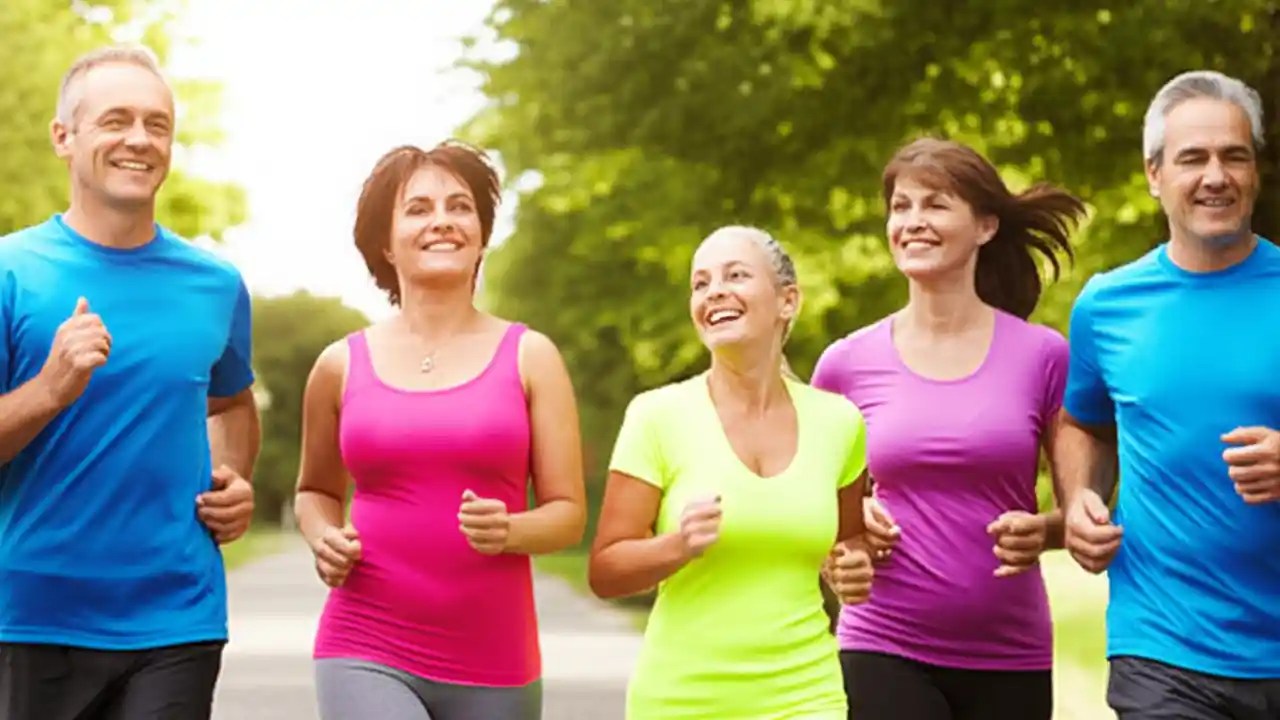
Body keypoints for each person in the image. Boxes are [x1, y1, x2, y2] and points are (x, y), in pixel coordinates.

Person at [0, 45, 259, 719]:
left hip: (177, 619)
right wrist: (49, 389)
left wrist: (232, 476)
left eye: (157, 124)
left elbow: (231, 401)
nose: (139, 140)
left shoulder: (216, 284)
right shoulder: (11, 272)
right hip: (32, 617)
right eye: (116, 120)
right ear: (65, 136)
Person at [295, 141, 587, 720]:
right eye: (419, 208)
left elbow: (568, 514)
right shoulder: (339, 365)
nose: (442, 221)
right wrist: (323, 535)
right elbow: (315, 492)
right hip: (365, 640)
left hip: (496, 657)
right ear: (386, 240)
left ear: (481, 234)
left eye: (460, 207)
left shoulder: (531, 356)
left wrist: (510, 530)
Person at [811, 137, 1086, 720]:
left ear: (986, 225)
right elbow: (806, 513)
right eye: (901, 206)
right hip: (883, 643)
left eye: (935, 205)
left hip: (1011, 653)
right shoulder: (845, 364)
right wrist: (845, 537)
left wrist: (1045, 530)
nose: (913, 222)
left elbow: (1082, 511)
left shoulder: (1044, 356)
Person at [1058, 70, 1280, 719]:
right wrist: (1079, 500)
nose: (1216, 175)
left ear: (1256, 171)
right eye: (1193, 159)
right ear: (1155, 174)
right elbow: (1083, 424)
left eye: (1234, 156)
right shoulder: (1107, 305)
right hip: (1164, 648)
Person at [588, 225, 874, 720]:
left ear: (787, 301)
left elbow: (849, 543)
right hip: (683, 700)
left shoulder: (840, 422)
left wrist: (854, 565)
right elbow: (606, 571)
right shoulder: (657, 415)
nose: (714, 291)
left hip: (805, 696)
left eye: (735, 275)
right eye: (700, 283)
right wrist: (676, 546)